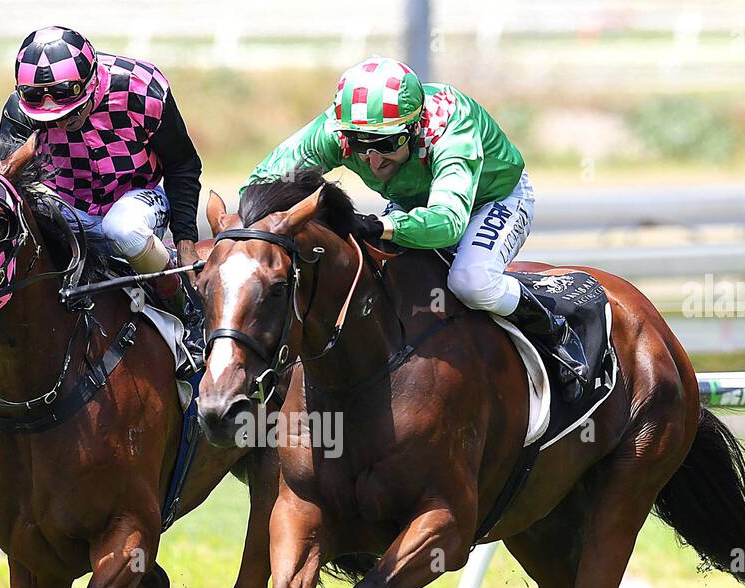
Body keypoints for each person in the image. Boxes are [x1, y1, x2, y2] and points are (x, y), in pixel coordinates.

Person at [246, 56, 589, 400]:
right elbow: (260, 184)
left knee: (471, 282)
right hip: (414, 203)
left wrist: (380, 223)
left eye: (385, 144)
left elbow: (449, 223)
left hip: (492, 200)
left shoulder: (450, 127)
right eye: (358, 142)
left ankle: (554, 326)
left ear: (414, 128)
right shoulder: (335, 131)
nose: (372, 159)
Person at [0, 26, 202, 319]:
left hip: (138, 197)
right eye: (52, 118)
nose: (62, 123)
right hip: (67, 206)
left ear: (91, 84)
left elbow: (182, 164)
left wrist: (186, 240)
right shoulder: (21, 111)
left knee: (122, 227)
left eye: (70, 113)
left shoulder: (142, 88)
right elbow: (4, 185)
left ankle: (185, 307)